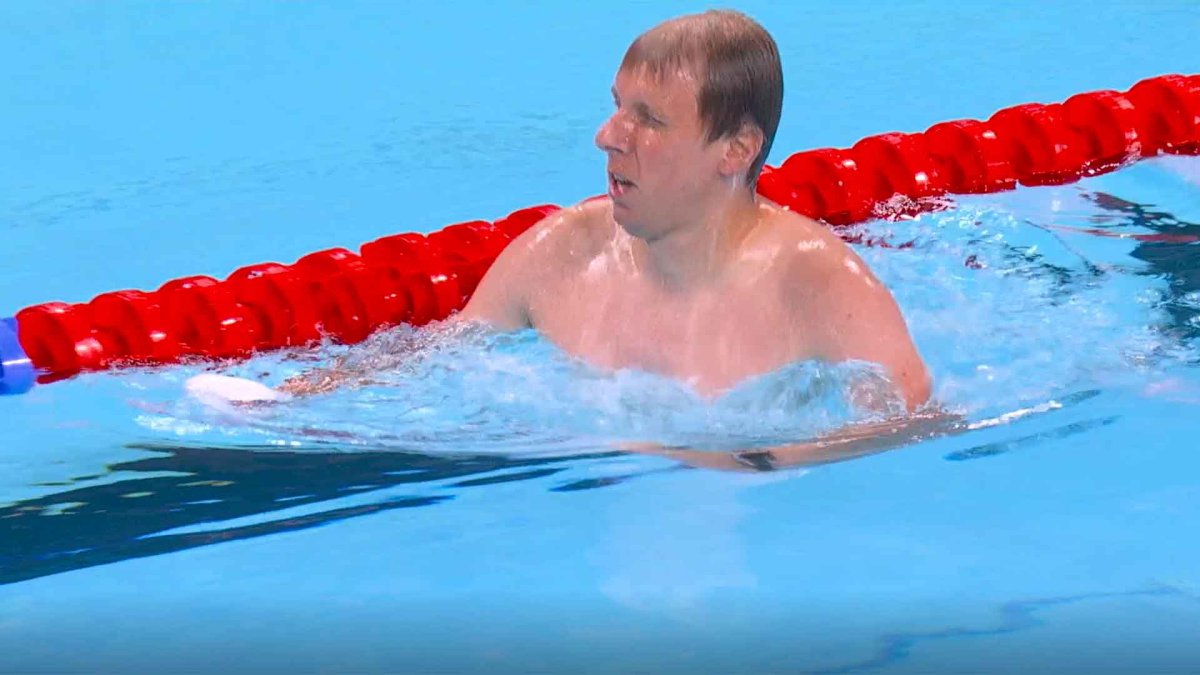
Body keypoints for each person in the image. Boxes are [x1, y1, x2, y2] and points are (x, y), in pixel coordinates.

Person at [277, 10, 939, 467]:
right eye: (617, 104)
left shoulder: (817, 284)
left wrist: (756, 461)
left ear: (735, 149)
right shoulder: (560, 253)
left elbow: (916, 423)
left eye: (647, 119)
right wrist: (293, 399)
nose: (608, 135)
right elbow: (441, 358)